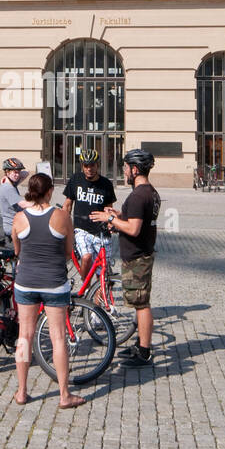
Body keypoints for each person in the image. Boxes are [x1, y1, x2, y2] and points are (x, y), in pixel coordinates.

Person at [11, 172, 84, 409]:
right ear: (50, 191)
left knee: (24, 336)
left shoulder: (19, 218)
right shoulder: (62, 216)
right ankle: (64, 394)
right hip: (54, 282)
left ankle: (22, 391)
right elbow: (67, 251)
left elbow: (17, 249)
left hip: (26, 282)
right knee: (58, 337)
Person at [91, 149, 160, 366]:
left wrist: (110, 217)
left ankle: (144, 351)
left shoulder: (139, 195)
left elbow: (134, 228)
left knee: (142, 304)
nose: (124, 171)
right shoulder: (150, 192)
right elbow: (134, 219)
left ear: (135, 169)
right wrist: (118, 217)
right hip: (141, 254)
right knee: (140, 303)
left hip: (138, 257)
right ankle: (141, 344)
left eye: (126, 167)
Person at [62, 147, 116, 281]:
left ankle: (97, 298)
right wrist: (64, 226)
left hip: (100, 231)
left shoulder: (106, 184)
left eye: (92, 165)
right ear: (82, 166)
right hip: (82, 229)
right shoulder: (76, 179)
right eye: (86, 166)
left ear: (97, 165)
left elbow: (109, 208)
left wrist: (110, 223)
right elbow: (67, 205)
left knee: (102, 273)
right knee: (86, 257)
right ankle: (85, 286)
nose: (89, 169)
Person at [0, 157, 28, 236]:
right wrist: (40, 205)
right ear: (7, 172)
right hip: (12, 227)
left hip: (17, 223)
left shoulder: (12, 183)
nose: (18, 175)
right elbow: (23, 204)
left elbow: (26, 173)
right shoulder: (8, 188)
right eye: (15, 172)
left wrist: (7, 176)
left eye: (19, 172)